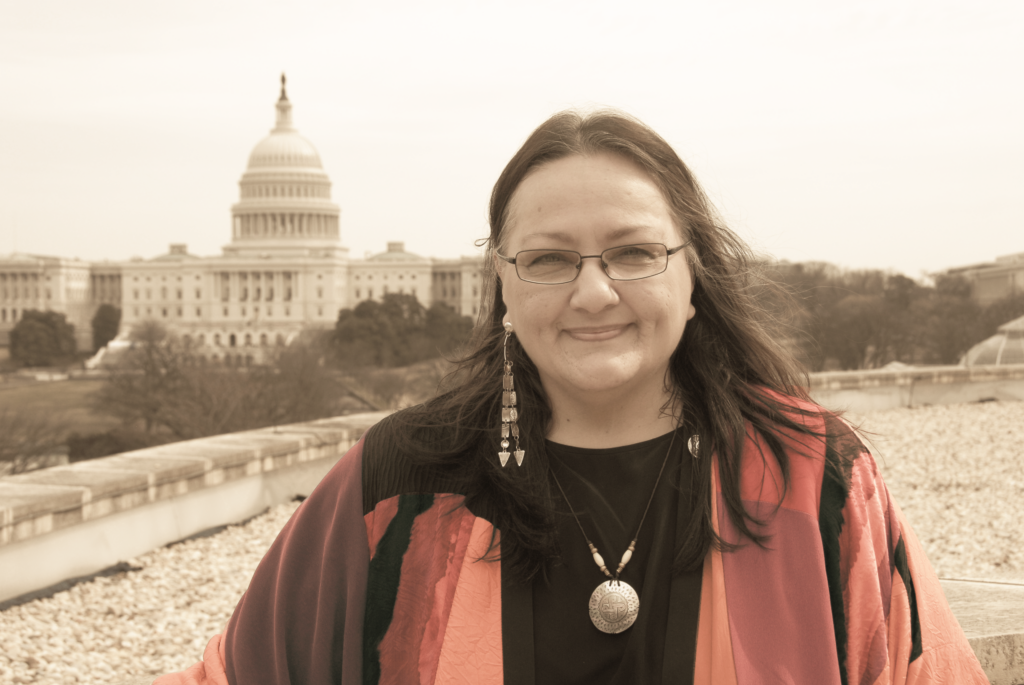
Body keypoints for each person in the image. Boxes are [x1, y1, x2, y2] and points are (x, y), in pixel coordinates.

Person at [156, 110, 987, 685]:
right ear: (502, 288)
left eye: (632, 252)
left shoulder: (817, 476)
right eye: (550, 259)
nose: (594, 293)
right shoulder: (400, 482)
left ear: (692, 274)